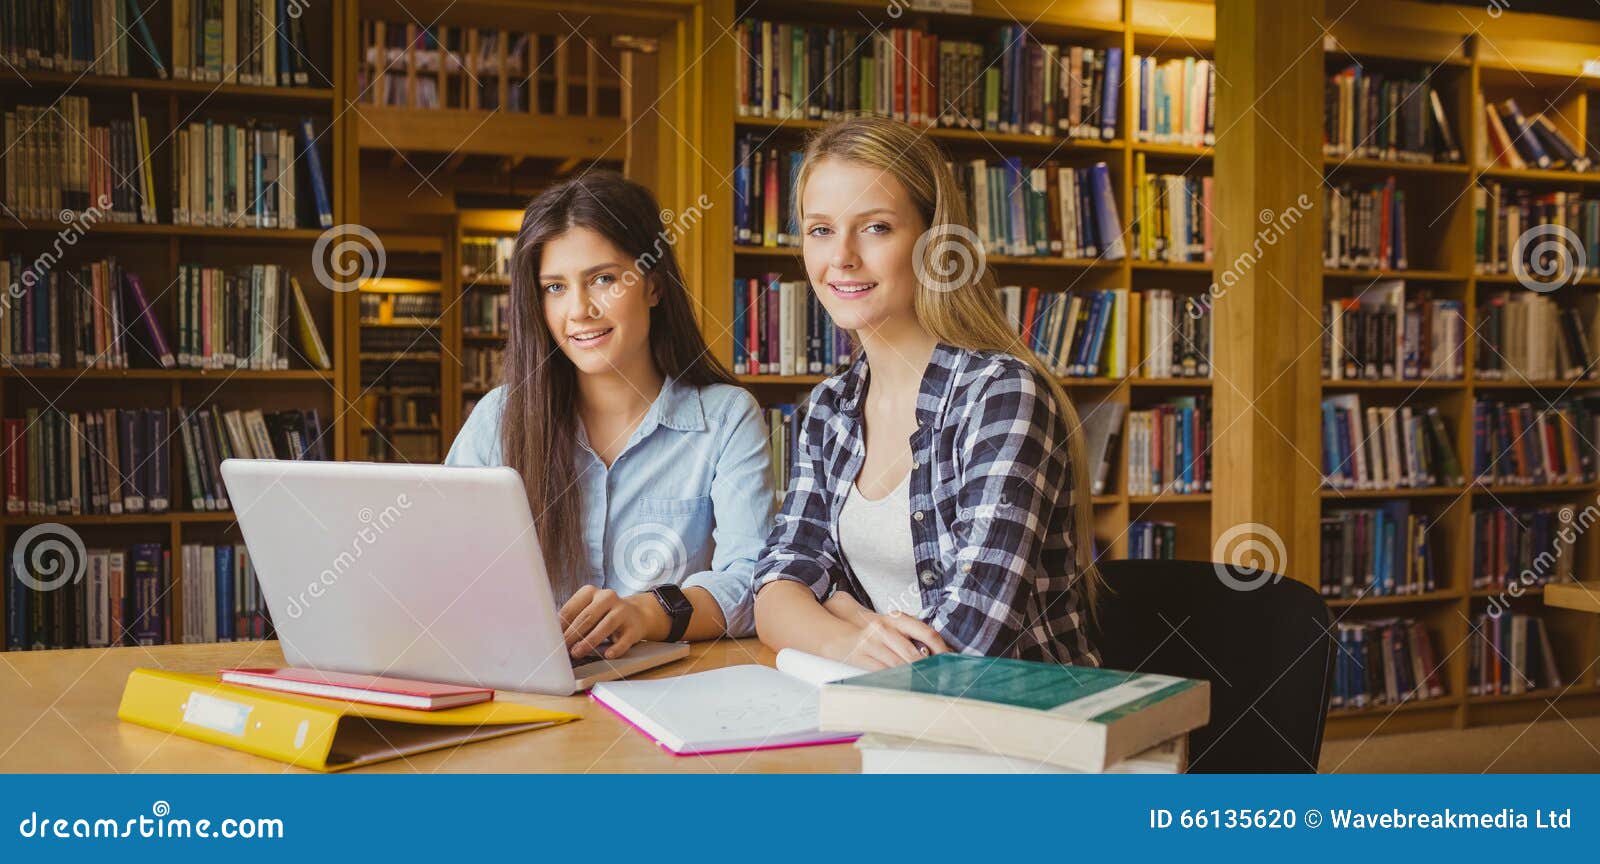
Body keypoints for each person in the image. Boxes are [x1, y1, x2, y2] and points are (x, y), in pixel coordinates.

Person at [751, 115, 1102, 670]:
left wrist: (835, 606)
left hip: (1022, 728)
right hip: (879, 701)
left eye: (875, 227)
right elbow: (774, 586)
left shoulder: (1001, 395)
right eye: (820, 229)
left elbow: (970, 638)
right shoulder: (829, 409)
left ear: (934, 243)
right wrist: (848, 638)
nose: (840, 256)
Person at [446, 171, 774, 660]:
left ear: (654, 287)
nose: (578, 309)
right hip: (530, 690)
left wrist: (649, 613)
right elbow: (444, 568)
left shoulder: (725, 419)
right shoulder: (498, 419)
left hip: (670, 695)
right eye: (554, 287)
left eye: (602, 279)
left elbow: (754, 583)